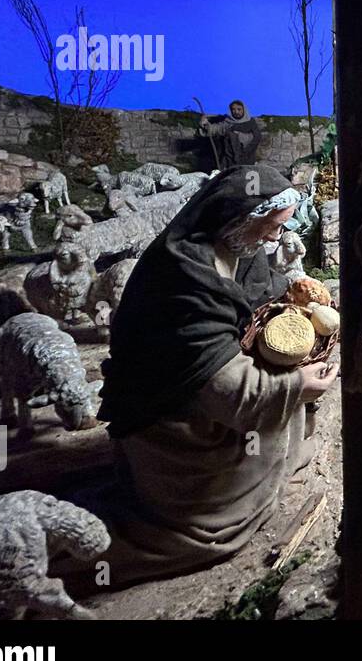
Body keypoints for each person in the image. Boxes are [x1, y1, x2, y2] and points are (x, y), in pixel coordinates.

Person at [58, 165, 338, 589]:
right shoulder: (184, 281)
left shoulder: (233, 245)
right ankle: (112, 540)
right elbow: (227, 390)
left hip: (202, 390)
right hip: (170, 421)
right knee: (210, 536)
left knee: (284, 379)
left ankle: (270, 462)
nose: (274, 238)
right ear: (239, 218)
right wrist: (299, 386)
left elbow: (263, 282)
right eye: (271, 227)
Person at [200, 99, 263, 167]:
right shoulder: (228, 121)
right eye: (233, 109)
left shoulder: (250, 122)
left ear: (244, 109)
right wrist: (206, 124)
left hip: (246, 157)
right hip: (228, 157)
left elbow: (257, 137)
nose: (236, 112)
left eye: (239, 109)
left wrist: (241, 137)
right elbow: (217, 128)